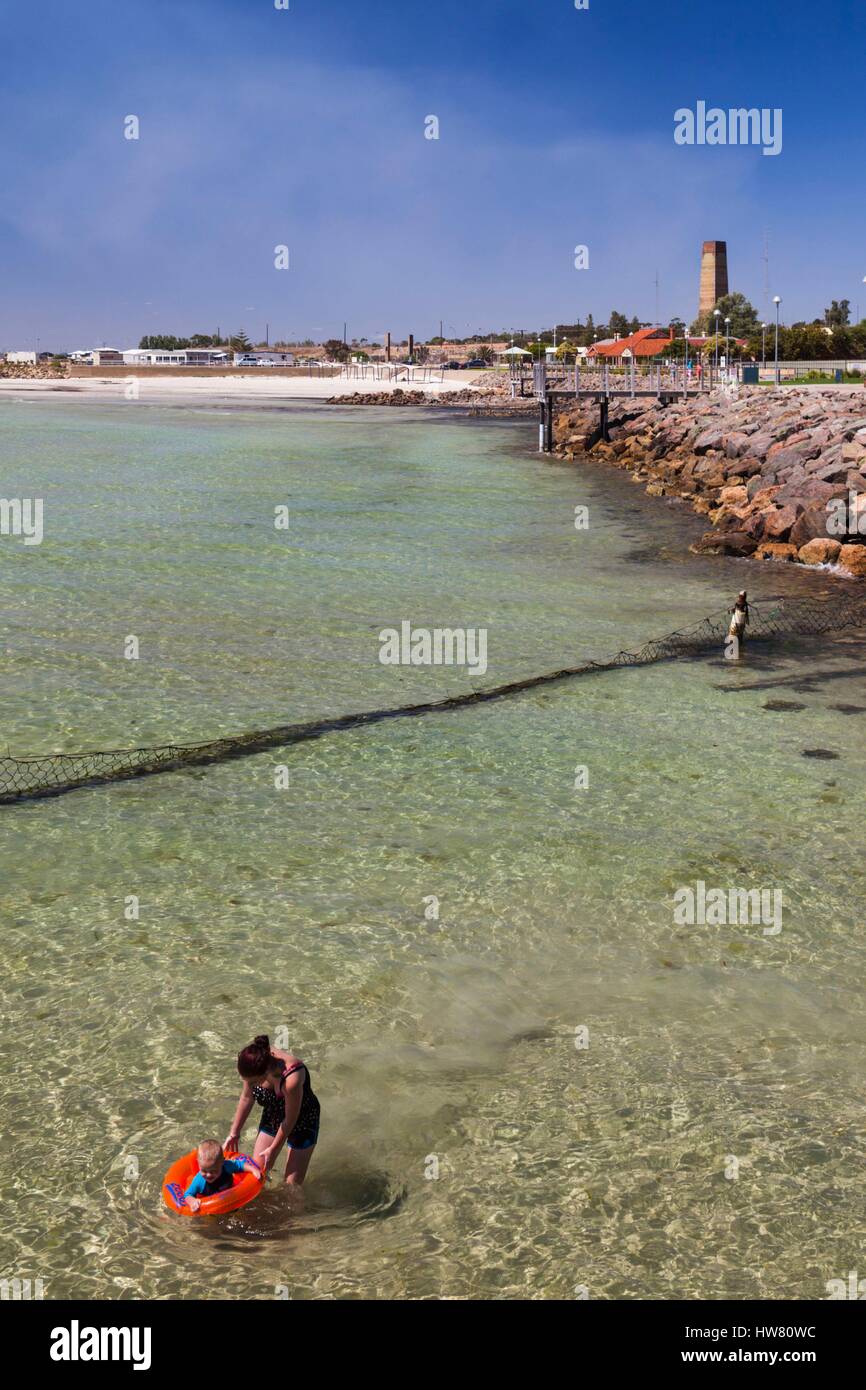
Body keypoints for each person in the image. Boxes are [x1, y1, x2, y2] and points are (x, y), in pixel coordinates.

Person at [224, 1034, 320, 1187]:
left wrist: (274, 1149)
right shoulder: (254, 1062)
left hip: (302, 1119)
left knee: (291, 1186)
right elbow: (247, 1098)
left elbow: (290, 1120)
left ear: (265, 1073)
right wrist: (234, 1133)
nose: (251, 1085)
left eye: (254, 1082)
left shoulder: (291, 1078)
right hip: (273, 1114)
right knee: (258, 1172)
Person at [183, 1140, 260, 1212]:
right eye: (204, 1171)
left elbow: (240, 1165)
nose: (208, 1175)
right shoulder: (199, 1181)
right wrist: (192, 1201)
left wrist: (253, 1170)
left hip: (233, 1198)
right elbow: (187, 1195)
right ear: (198, 1165)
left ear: (222, 1162)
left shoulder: (227, 1166)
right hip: (213, 1208)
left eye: (214, 1171)